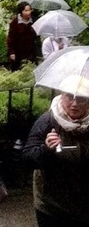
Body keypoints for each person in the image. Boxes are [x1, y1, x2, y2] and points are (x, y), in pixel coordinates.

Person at [23, 85, 89, 226]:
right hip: (51, 205)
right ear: (62, 95)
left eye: (81, 98)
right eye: (69, 96)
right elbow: (28, 157)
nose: (74, 103)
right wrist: (46, 150)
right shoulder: (48, 120)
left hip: (84, 205)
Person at [7, 1, 37, 70]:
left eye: (29, 10)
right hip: (18, 51)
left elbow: (36, 36)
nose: (28, 12)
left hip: (31, 51)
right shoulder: (15, 22)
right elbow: (11, 38)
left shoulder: (34, 21)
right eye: (26, 10)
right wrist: (12, 52)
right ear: (21, 11)